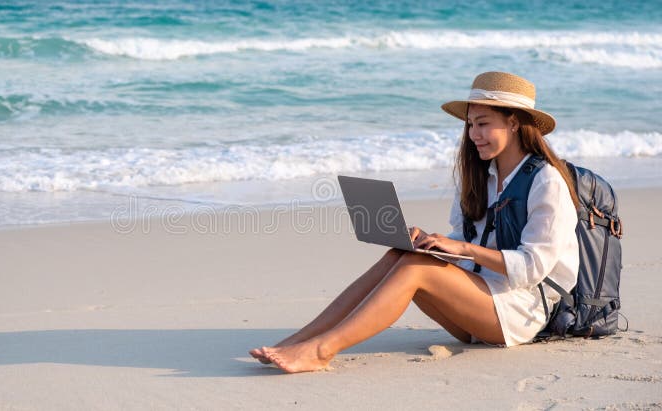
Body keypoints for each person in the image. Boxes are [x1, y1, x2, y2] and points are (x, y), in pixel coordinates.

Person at [248, 71, 580, 373]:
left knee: (416, 269)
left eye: (483, 124)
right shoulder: (480, 175)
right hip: (476, 305)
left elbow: (533, 267)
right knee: (402, 255)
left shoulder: (546, 182)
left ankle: (321, 350)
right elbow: (469, 241)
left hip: (522, 311)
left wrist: (461, 248)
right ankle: (300, 339)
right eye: (469, 124)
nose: (473, 134)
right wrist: (432, 243)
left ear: (513, 123)